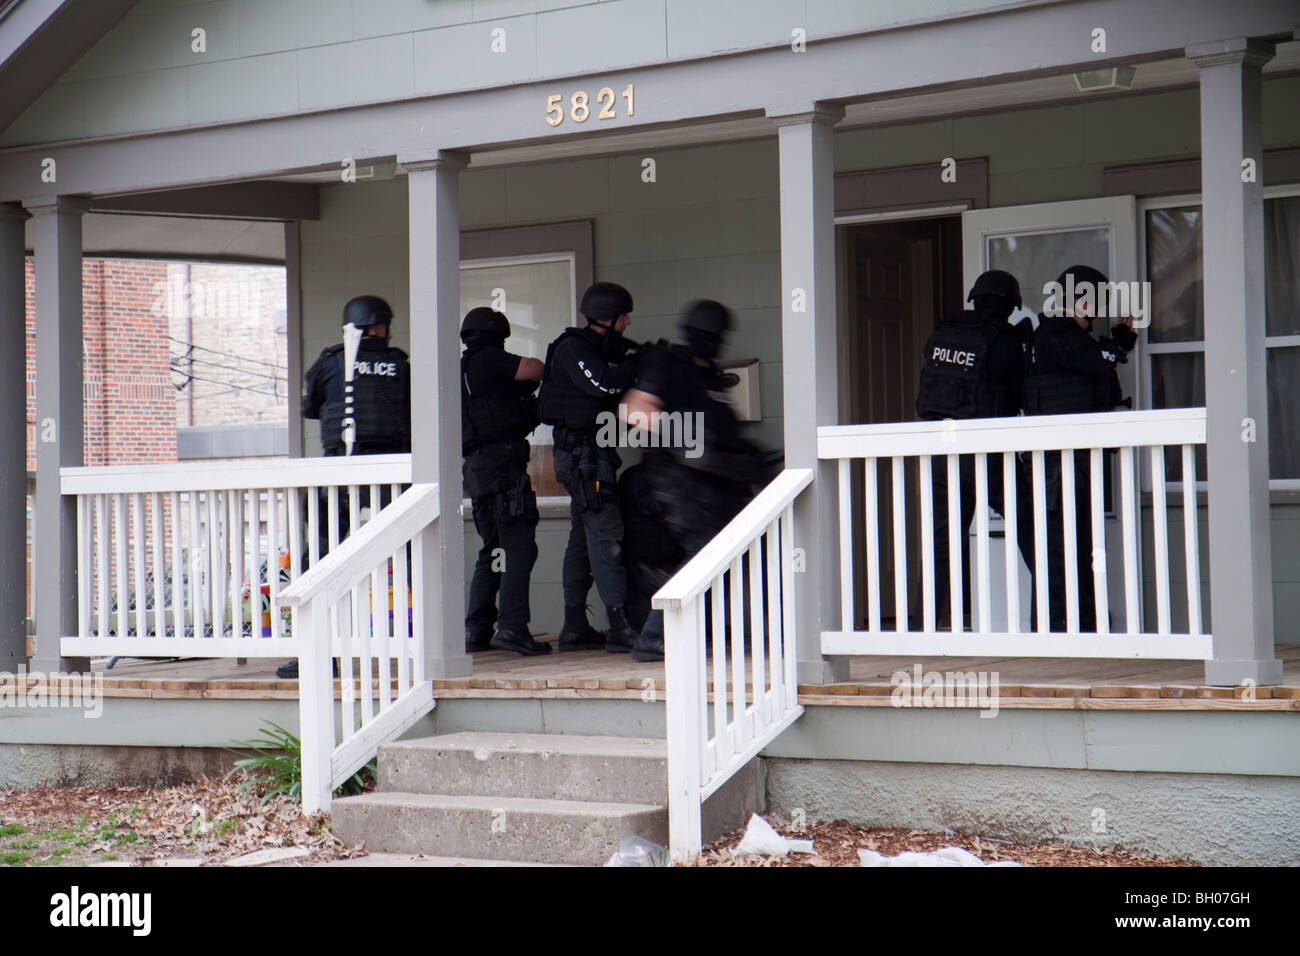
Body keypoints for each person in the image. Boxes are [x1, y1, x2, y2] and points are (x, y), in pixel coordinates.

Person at [621, 299, 778, 662]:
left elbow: (721, 430)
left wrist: (751, 457)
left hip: (717, 482)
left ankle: (718, 629)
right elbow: (633, 409)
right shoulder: (667, 362)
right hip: (676, 478)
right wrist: (689, 439)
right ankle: (654, 637)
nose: (708, 341)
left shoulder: (708, 374)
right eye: (703, 335)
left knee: (740, 549)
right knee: (704, 551)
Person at [281, 294, 410, 679]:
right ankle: (406, 646)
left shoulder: (332, 361)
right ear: (382, 326)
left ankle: (316, 651)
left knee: (318, 561)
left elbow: (309, 408)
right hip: (390, 478)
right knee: (403, 560)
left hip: (340, 477)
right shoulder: (400, 364)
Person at [915, 269, 1034, 628]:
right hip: (988, 453)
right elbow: (1019, 395)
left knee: (940, 545)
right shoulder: (1006, 340)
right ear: (1010, 306)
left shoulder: (942, 333)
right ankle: (1055, 619)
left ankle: (925, 629)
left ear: (976, 298)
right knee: (1034, 533)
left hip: (942, 453)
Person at [1024, 264, 1137, 632]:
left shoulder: (1065, 336)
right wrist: (1118, 344)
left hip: (1074, 463)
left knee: (1082, 546)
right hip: (1060, 466)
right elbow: (1093, 360)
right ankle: (1063, 626)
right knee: (1061, 549)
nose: (1099, 313)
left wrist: (1116, 345)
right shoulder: (1056, 335)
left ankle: (1082, 623)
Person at [537, 282, 641, 652]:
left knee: (583, 542)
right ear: (608, 317)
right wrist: (634, 364)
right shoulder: (573, 348)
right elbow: (604, 385)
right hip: (582, 459)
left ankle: (575, 628)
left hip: (590, 456)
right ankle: (619, 626)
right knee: (607, 536)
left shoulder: (597, 348)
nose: (629, 321)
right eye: (624, 315)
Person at [460, 307, 549, 656]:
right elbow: (532, 368)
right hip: (502, 466)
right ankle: (512, 627)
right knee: (519, 547)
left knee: (494, 549)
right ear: (497, 336)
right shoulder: (488, 360)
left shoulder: (461, 368)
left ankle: (477, 629)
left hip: (477, 469)